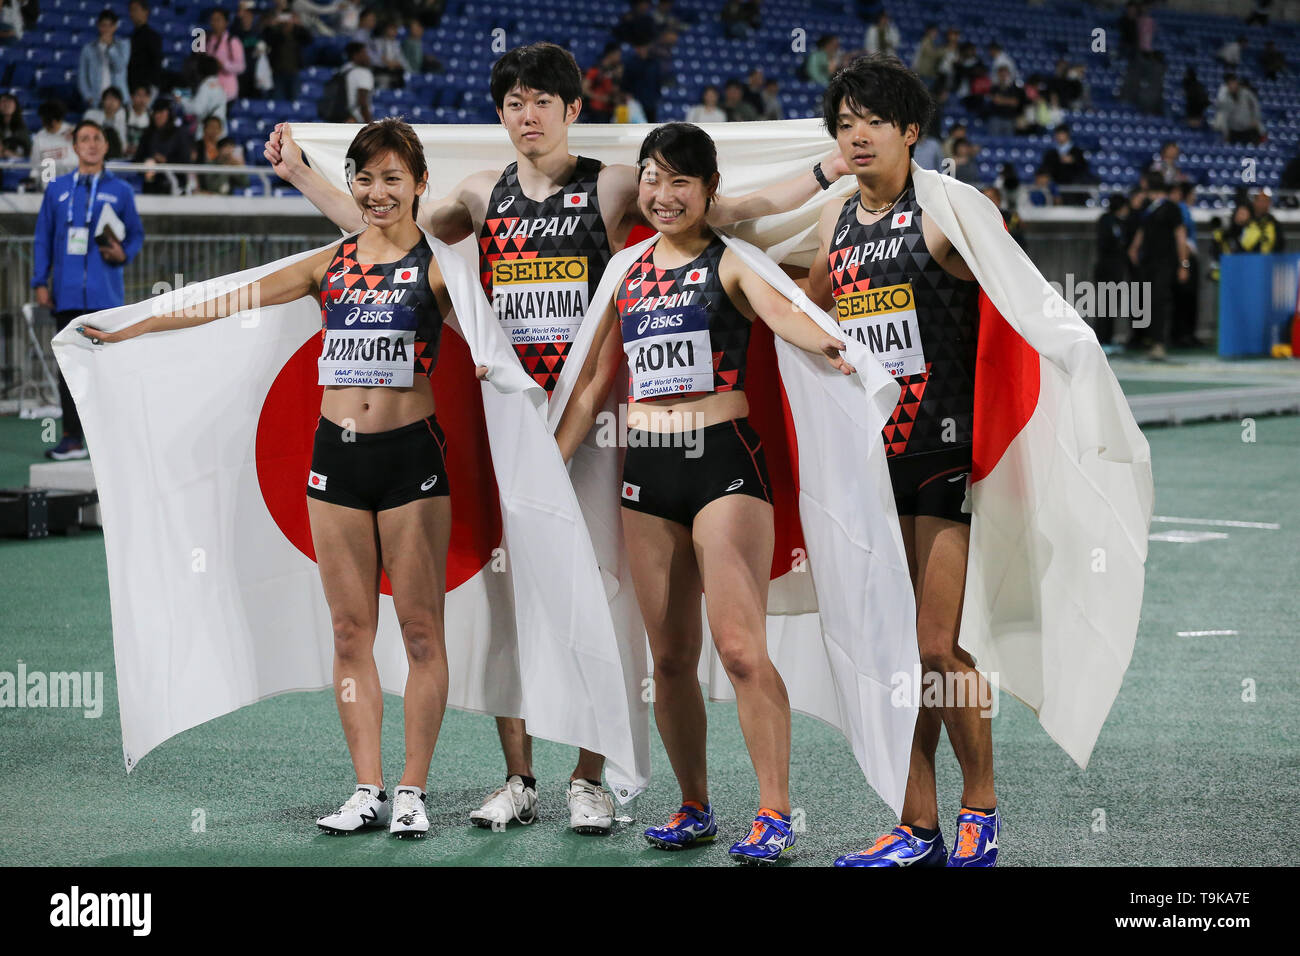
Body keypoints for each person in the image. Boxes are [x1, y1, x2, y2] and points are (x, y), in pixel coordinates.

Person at [266, 40, 851, 835]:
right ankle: (519, 774)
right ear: (501, 115)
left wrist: (834, 165)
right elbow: (386, 236)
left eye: (543, 101)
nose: (527, 114)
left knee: (603, 593)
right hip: (511, 420)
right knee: (514, 596)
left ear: (573, 111)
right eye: (513, 102)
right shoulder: (477, 194)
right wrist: (305, 176)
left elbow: (731, 207)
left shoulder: (614, 184)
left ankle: (592, 774)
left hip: (603, 422)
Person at [79, 118, 457, 839]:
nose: (378, 192)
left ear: (418, 184)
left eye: (392, 179)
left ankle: (414, 789)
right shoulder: (329, 265)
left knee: (419, 633)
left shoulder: (440, 268)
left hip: (412, 461)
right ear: (354, 184)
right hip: (335, 463)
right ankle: (367, 788)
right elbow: (228, 298)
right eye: (365, 178)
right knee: (350, 633)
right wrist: (134, 328)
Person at [553, 122, 855, 864]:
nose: (663, 193)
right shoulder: (624, 271)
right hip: (645, 473)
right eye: (652, 178)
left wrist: (829, 341)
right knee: (671, 660)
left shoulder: (734, 262)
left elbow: (784, 311)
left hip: (723, 466)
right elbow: (595, 383)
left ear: (708, 191)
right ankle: (694, 804)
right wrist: (546, 468)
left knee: (742, 648)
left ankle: (776, 811)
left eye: (681, 180)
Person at [808, 52, 1000, 868]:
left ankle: (981, 806)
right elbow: (803, 309)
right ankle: (915, 826)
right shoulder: (835, 222)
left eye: (871, 122)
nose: (855, 136)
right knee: (895, 655)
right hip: (872, 461)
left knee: (936, 647)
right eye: (843, 124)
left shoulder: (948, 211)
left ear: (910, 132)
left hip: (947, 455)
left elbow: (1018, 300)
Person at [32, 120, 144, 461]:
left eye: (97, 138)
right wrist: (40, 281)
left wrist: (124, 253)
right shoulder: (57, 189)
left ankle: (107, 440)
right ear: (75, 147)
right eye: (84, 139)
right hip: (66, 295)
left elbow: (136, 235)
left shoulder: (121, 191)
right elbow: (43, 238)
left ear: (106, 146)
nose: (92, 144)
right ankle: (70, 439)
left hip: (105, 296)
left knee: (106, 370)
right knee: (69, 368)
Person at [1127, 175, 1189, 360]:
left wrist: (1183, 263)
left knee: (1159, 300)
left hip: (1165, 261)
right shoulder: (1148, 208)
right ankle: (1147, 339)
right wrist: (1135, 247)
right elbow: (1143, 229)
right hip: (1148, 261)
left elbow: (1181, 236)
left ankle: (1159, 342)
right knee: (1145, 301)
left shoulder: (1171, 208)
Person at [1094, 192, 1132, 348]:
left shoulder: (1119, 222)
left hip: (1115, 269)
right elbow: (1108, 243)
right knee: (1104, 305)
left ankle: (1108, 338)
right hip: (1106, 268)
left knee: (1111, 306)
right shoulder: (1106, 220)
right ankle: (1101, 339)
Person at [133, 98, 192, 194]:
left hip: (175, 184)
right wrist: (148, 161)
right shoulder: (148, 134)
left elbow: (186, 161)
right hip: (150, 184)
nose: (157, 116)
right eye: (155, 112)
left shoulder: (180, 133)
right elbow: (137, 159)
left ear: (169, 114)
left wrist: (165, 160)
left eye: (161, 112)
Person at [78, 9, 130, 110]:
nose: (106, 29)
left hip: (119, 100)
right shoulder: (88, 49)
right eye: (103, 25)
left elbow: (119, 67)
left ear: (115, 27)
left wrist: (110, 47)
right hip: (97, 100)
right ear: (98, 26)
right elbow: (82, 77)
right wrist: (89, 97)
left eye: (110, 26)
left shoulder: (123, 46)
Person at [1040, 123, 1092, 205]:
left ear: (1067, 135)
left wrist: (1073, 161)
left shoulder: (1077, 152)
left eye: (1062, 133)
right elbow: (1045, 169)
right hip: (1055, 187)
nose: (1060, 136)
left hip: (1073, 189)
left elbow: (1084, 168)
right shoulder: (1051, 153)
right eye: (1058, 134)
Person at [180, 53, 228, 138]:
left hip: (208, 130)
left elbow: (197, 109)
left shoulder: (205, 86)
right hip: (220, 128)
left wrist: (182, 101)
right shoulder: (219, 86)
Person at [31, 99, 77, 182]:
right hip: (48, 184)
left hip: (70, 181)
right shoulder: (39, 137)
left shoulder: (73, 132)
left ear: (56, 120)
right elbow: (35, 165)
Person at [206, 7, 245, 102]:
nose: (214, 23)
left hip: (227, 92)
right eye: (212, 20)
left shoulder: (233, 41)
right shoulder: (208, 40)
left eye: (218, 20)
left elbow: (241, 67)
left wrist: (224, 65)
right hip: (210, 89)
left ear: (226, 22)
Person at [126, 0, 163, 99]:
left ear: (146, 12)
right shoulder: (131, 37)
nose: (132, 13)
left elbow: (156, 62)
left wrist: (150, 86)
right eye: (130, 10)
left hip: (146, 89)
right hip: (131, 86)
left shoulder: (153, 37)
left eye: (135, 10)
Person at [1214, 74, 1263, 145]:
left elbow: (1255, 106)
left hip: (1248, 129)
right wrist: (1226, 133)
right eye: (1229, 84)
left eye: (1233, 83)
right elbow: (1224, 116)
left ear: (1236, 83)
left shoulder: (1246, 93)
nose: (1232, 86)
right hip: (1234, 131)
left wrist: (1255, 119)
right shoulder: (1225, 99)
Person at [84, 86, 128, 159]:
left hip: (114, 154)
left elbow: (123, 142)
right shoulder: (90, 114)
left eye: (114, 100)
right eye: (108, 99)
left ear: (120, 103)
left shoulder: (121, 117)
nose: (111, 102)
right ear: (103, 101)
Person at [1242, 188, 1284, 253]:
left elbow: (1280, 245)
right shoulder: (1245, 220)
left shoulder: (1275, 223)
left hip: (1269, 259)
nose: (1263, 204)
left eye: (1266, 201)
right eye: (1261, 201)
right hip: (1246, 259)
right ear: (1254, 202)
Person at [0, 92, 31, 159]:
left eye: (10, 101)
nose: (7, 104)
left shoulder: (22, 127)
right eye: (3, 101)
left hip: (19, 162)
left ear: (15, 105)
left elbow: (28, 149)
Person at [125, 85, 153, 152]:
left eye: (145, 96)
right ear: (132, 97)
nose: (142, 99)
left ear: (149, 98)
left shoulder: (151, 115)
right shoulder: (124, 112)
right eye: (139, 95)